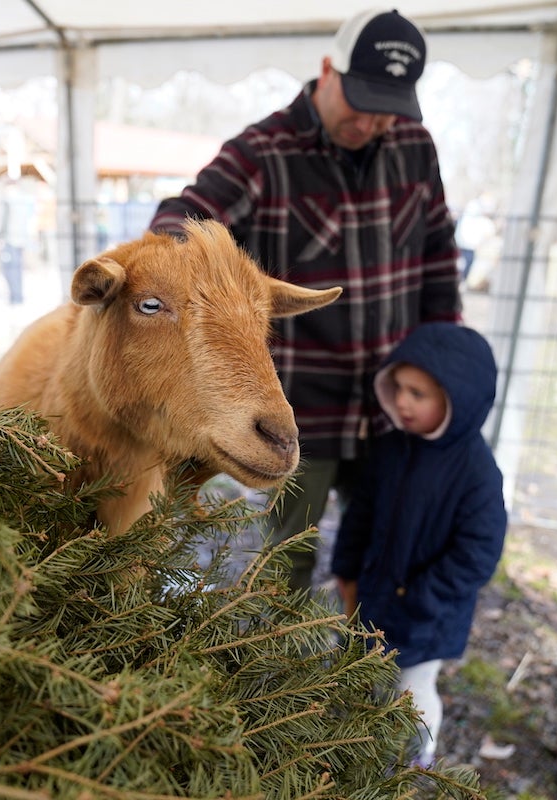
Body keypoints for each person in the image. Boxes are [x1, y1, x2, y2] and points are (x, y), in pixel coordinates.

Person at [149, 8, 462, 591]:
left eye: (386, 108)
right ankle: (274, 673)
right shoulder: (262, 151)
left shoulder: (415, 147)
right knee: (287, 555)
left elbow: (439, 249)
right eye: (361, 100)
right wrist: (166, 260)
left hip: (393, 401)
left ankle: (369, 666)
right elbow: (185, 216)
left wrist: (445, 357)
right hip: (300, 409)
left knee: (383, 546)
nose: (370, 122)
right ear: (327, 69)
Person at [329, 322, 507, 767]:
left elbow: (479, 553)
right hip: (372, 594)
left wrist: (423, 595)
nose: (403, 402)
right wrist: (346, 568)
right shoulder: (392, 449)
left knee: (412, 687)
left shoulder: (477, 473)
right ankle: (357, 743)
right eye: (400, 388)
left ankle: (416, 753)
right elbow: (361, 514)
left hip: (430, 612)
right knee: (364, 672)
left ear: (457, 400)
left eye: (419, 394)